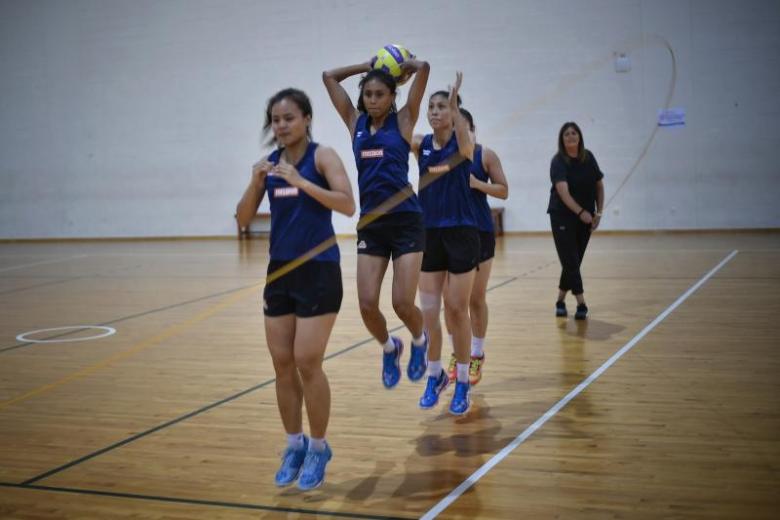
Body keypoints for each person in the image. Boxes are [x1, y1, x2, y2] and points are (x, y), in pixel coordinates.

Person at [236, 88, 355, 490]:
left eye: (288, 118)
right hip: (280, 272)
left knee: (307, 361)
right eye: (275, 119)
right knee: (282, 365)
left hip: (320, 269)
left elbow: (346, 204)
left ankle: (319, 447)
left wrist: (301, 181)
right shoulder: (268, 166)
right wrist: (255, 183)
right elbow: (242, 217)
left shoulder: (322, 157)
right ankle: (294, 444)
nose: (282, 125)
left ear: (306, 118)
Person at [322, 55, 431, 389]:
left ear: (393, 96)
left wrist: (405, 64)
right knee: (367, 306)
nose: (372, 100)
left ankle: (419, 340)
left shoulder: (404, 122)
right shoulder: (355, 123)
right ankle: (389, 347)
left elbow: (424, 68)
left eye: (379, 94)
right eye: (367, 94)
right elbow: (329, 75)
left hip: (406, 223)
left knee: (401, 303)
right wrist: (367, 66)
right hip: (371, 225)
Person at [411, 72, 478, 416]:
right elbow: (397, 128)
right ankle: (435, 375)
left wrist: (455, 103)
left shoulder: (462, 144)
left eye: (442, 107)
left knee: (456, 310)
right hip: (429, 234)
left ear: (453, 114)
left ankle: (463, 380)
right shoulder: (421, 145)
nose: (436, 111)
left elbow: (466, 142)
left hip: (462, 233)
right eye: (432, 107)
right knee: (428, 312)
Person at [443, 108, 509, 386]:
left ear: (472, 129)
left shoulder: (485, 155)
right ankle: (459, 354)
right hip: (449, 234)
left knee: (475, 298)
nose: (459, 131)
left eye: (463, 126)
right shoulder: (442, 156)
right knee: (451, 302)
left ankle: (477, 354)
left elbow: (503, 190)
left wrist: (478, 184)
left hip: (480, 232)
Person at [547, 121, 605, 320]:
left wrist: (599, 213)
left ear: (579, 136)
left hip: (586, 218)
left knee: (574, 261)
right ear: (561, 140)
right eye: (566, 134)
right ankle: (581, 303)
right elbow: (563, 193)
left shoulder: (588, 158)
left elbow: (599, 186)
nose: (570, 136)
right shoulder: (558, 162)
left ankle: (560, 300)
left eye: (574, 133)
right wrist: (581, 212)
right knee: (570, 259)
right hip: (562, 216)